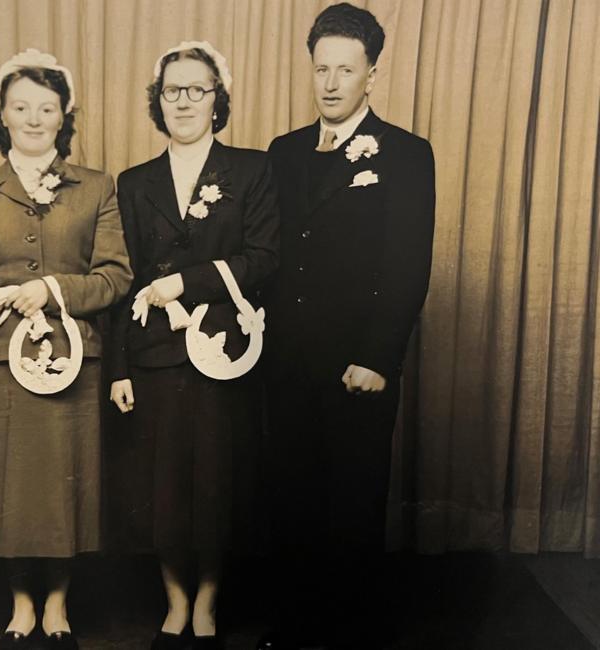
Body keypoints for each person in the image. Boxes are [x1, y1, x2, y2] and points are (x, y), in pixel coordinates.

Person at [258, 4, 436, 648]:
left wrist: (379, 357)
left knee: (353, 507)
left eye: (345, 70)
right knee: (290, 499)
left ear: (371, 75)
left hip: (358, 363)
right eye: (321, 69)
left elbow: (409, 263)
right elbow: (269, 255)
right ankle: (291, 626)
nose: (331, 83)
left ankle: (348, 633)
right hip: (286, 362)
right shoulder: (283, 152)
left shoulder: (407, 154)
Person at [0, 49, 132, 650]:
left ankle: (57, 605)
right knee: (8, 489)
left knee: (61, 492)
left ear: (63, 116)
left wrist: (52, 290)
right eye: (20, 107)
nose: (33, 119)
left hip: (72, 363)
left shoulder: (97, 187)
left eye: (46, 108)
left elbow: (115, 278)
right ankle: (21, 604)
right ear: (1, 114)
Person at [108, 41, 279, 650]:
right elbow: (123, 280)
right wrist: (119, 367)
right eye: (171, 91)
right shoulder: (134, 183)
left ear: (217, 100)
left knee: (214, 486)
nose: (183, 101)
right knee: (162, 490)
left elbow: (263, 258)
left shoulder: (252, 171)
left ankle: (207, 602)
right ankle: (175, 602)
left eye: (196, 89)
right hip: (153, 358)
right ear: (158, 102)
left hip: (222, 355)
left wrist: (187, 281)